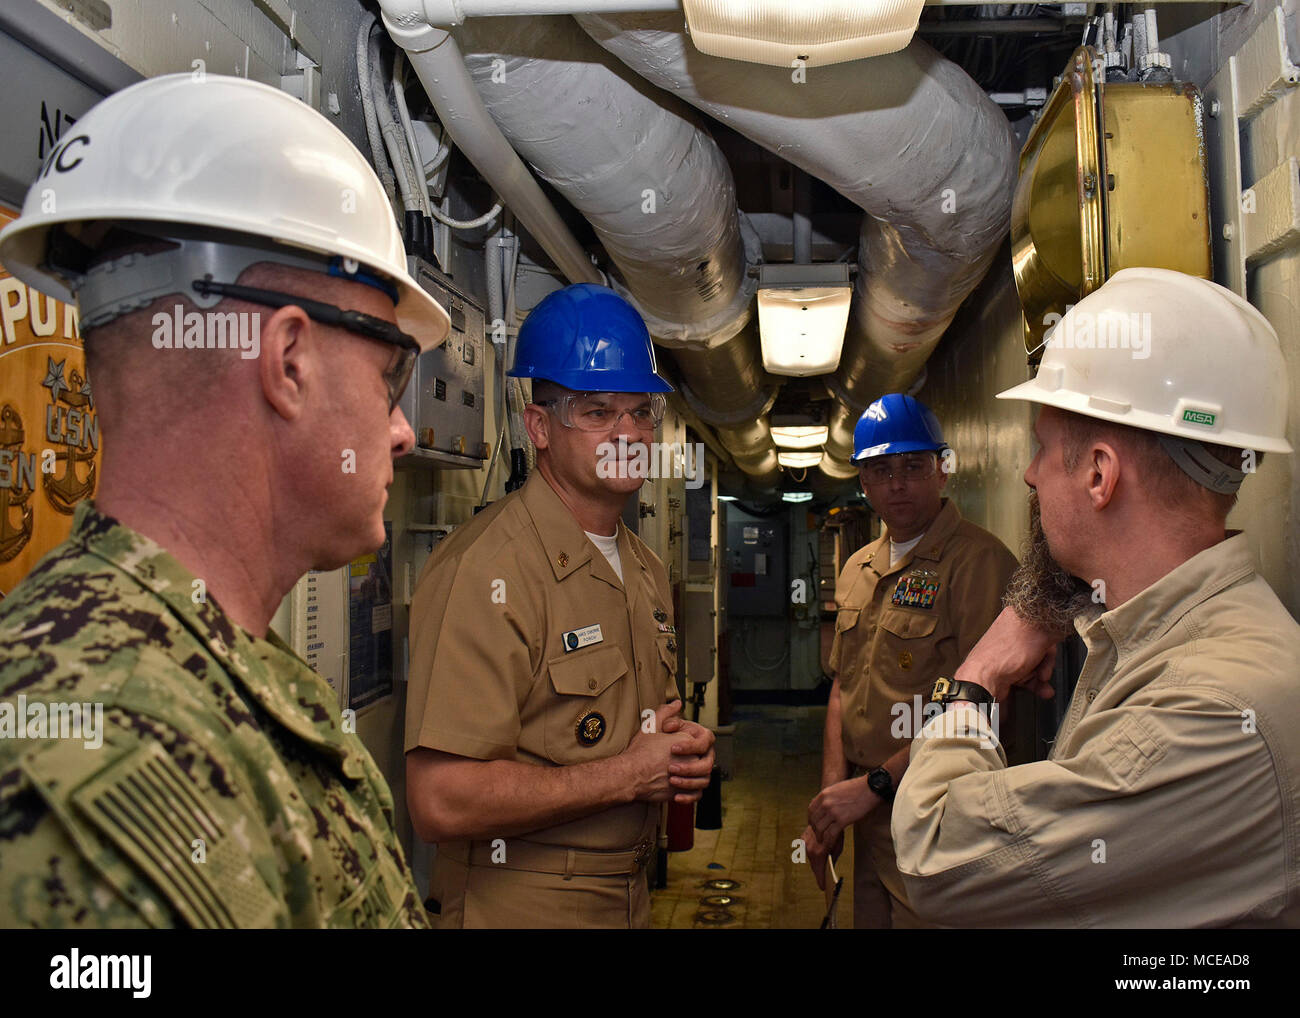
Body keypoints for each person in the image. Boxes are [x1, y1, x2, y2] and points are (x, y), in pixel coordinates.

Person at [0, 73, 449, 928]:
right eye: (390, 373)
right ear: (288, 363)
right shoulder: (97, 766)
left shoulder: (225, 672)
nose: (399, 431)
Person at [893, 266, 1300, 927]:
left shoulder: (1218, 710)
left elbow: (936, 853)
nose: (1026, 474)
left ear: (1099, 474)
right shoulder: (1149, 638)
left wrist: (975, 680)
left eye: (1044, 449)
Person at [405, 282, 715, 929]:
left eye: (640, 412)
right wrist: (628, 777)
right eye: (597, 413)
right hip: (519, 902)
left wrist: (674, 754)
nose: (627, 434)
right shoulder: (489, 571)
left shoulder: (644, 568)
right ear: (539, 426)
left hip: (625, 895)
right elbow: (440, 800)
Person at [802, 393, 1017, 928]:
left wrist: (872, 787)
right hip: (865, 814)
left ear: (941, 472)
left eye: (913, 467)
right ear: (864, 482)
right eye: (882, 469)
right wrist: (831, 801)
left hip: (938, 814)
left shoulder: (980, 564)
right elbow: (842, 689)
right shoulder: (859, 567)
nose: (897, 483)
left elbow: (982, 711)